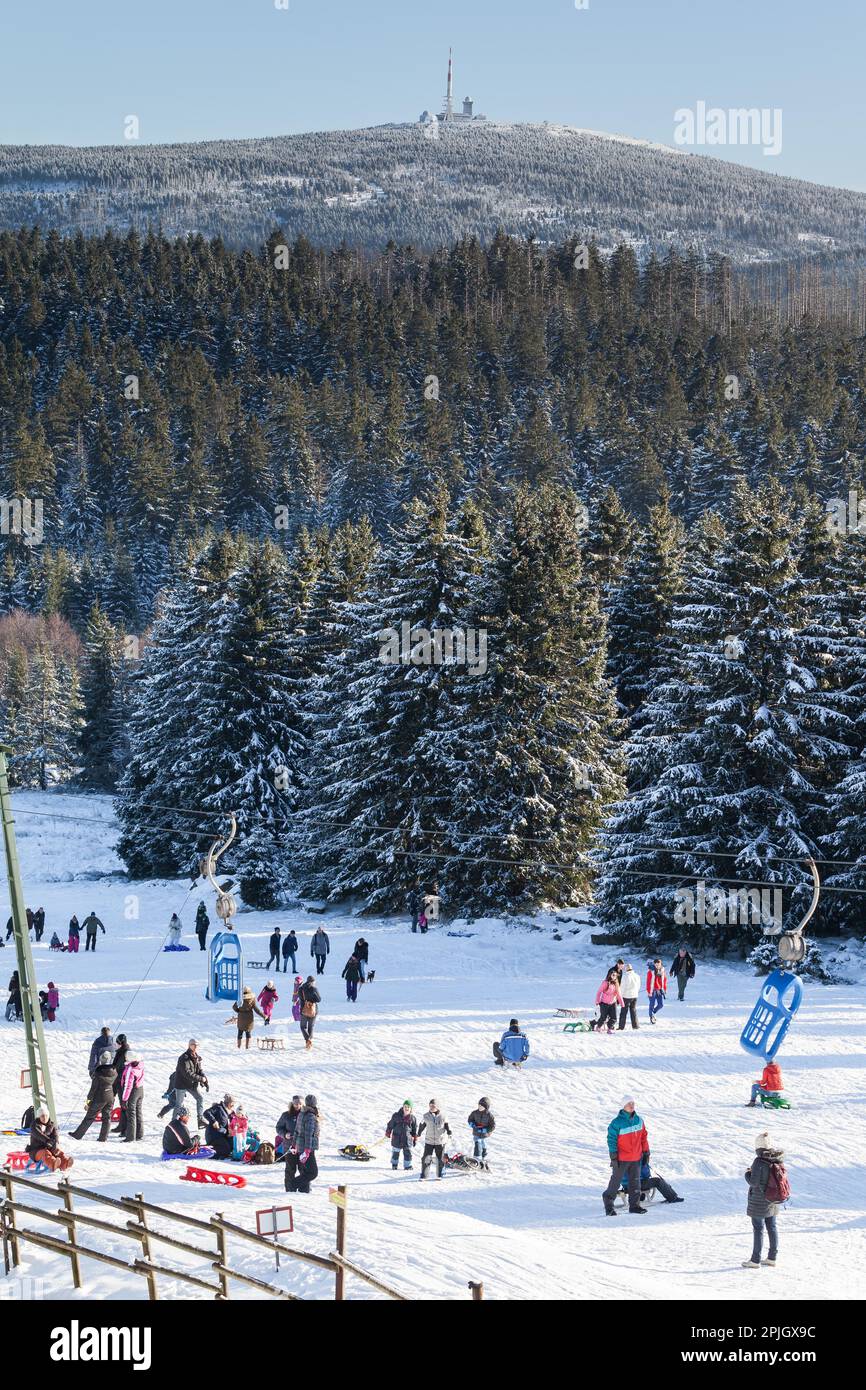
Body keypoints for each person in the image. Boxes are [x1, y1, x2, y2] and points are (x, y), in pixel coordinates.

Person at [742, 1132, 786, 1268]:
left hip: (759, 1201)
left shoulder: (759, 1161)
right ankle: (772, 1257)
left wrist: (747, 1173)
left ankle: (755, 1260)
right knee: (772, 1227)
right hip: (773, 1199)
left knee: (758, 1229)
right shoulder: (777, 1159)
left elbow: (754, 1182)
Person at [603, 1097, 649, 1216]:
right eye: (629, 1103)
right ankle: (609, 1207)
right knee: (615, 1183)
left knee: (635, 1183)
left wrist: (646, 1152)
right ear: (623, 1106)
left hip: (636, 1157)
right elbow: (611, 1139)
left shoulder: (639, 1120)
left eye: (633, 1103)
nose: (631, 1105)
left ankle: (634, 1206)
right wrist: (613, 1156)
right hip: (621, 1159)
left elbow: (643, 1137)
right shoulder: (616, 1123)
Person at [68, 1051, 117, 1143]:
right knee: (107, 1117)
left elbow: (93, 1089)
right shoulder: (114, 1071)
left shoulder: (98, 1072)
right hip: (110, 1095)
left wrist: (88, 1101)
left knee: (90, 1117)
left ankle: (78, 1135)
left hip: (100, 1096)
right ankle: (103, 1138)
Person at [285, 1095, 320, 1194]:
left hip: (301, 1147)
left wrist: (293, 1145)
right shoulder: (310, 1116)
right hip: (307, 1148)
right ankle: (293, 1184)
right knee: (313, 1173)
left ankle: (303, 1191)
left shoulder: (302, 1113)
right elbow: (308, 1135)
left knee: (306, 1171)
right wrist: (307, 1150)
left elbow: (296, 1131)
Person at [173, 1039, 208, 1129]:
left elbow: (199, 1070)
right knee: (179, 1104)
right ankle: (173, 1123)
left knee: (200, 1098)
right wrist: (200, 1079)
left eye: (197, 1045)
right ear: (189, 1045)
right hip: (181, 1084)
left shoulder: (197, 1057)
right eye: (193, 1045)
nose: (195, 1047)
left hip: (191, 1084)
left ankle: (200, 1120)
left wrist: (205, 1080)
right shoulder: (183, 1058)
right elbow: (187, 1073)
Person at [28, 1106, 73, 1172]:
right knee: (45, 1153)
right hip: (36, 1150)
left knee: (58, 1151)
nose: (44, 1118)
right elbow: (39, 1135)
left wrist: (55, 1144)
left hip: (49, 1147)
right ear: (39, 1117)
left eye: (46, 1115)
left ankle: (65, 1163)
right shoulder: (34, 1126)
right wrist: (48, 1141)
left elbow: (55, 1136)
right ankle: (53, 1164)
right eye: (42, 1116)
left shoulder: (51, 1125)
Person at [417, 1100, 452, 1180]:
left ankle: (439, 1174)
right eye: (430, 1106)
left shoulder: (443, 1116)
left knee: (440, 1158)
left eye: (433, 1106)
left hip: (440, 1141)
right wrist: (418, 1133)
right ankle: (424, 1175)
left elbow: (447, 1126)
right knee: (426, 1157)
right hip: (429, 1140)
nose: (431, 1107)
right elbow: (422, 1125)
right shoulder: (426, 1116)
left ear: (437, 1107)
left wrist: (449, 1132)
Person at [386, 1100, 418, 1171]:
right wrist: (388, 1132)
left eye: (408, 1107)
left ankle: (407, 1166)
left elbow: (414, 1129)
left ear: (411, 1109)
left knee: (408, 1153)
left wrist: (415, 1138)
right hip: (397, 1138)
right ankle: (394, 1164)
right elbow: (390, 1124)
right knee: (395, 1152)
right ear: (403, 1107)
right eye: (405, 1106)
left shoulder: (412, 1118)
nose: (406, 1108)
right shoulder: (396, 1116)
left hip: (407, 1139)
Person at [120, 1053, 145, 1142]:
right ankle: (139, 1134)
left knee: (131, 1113)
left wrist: (124, 1099)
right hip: (140, 1090)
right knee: (138, 1112)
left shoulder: (130, 1070)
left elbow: (128, 1086)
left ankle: (130, 1137)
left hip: (133, 1092)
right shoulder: (140, 1065)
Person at [203, 1094, 235, 1159]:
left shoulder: (230, 1112)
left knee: (233, 1143)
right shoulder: (218, 1108)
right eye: (232, 1103)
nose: (233, 1105)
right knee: (226, 1149)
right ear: (228, 1103)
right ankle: (208, 1152)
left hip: (222, 1135)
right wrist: (214, 1121)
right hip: (213, 1135)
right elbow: (206, 1113)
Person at [111, 1033, 131, 1134]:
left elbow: (119, 1067)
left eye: (118, 1042)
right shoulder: (121, 1051)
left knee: (124, 1105)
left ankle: (125, 1128)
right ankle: (121, 1126)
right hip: (118, 1081)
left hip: (122, 1082)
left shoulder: (125, 1052)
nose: (116, 1044)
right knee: (122, 1104)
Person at [467, 1097, 495, 1168]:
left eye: (481, 1106)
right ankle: (476, 1158)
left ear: (486, 1107)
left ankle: (484, 1154)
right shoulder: (474, 1113)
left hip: (484, 1134)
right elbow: (470, 1119)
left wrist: (485, 1130)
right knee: (477, 1142)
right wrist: (472, 1124)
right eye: (479, 1105)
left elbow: (492, 1126)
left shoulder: (489, 1115)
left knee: (483, 1144)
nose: (479, 1107)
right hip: (476, 1132)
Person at [276, 1096, 303, 1163]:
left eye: (300, 1103)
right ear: (292, 1104)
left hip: (302, 1145)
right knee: (290, 1168)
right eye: (296, 1103)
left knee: (303, 1168)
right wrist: (285, 1134)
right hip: (289, 1145)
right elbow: (278, 1127)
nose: (298, 1105)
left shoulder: (305, 1115)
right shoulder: (286, 1115)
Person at [297, 976, 320, 1050]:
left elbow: (300, 998)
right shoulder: (314, 989)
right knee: (311, 1026)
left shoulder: (301, 989)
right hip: (313, 1010)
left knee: (303, 1027)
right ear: (312, 982)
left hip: (304, 1010)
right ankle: (309, 1040)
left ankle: (307, 1040)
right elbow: (319, 999)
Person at [618, 963, 640, 1030]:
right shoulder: (637, 976)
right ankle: (635, 1026)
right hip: (635, 996)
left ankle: (621, 1027)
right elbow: (638, 986)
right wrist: (636, 992)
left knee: (623, 1012)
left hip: (626, 996)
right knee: (633, 1010)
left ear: (626, 969)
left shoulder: (625, 976)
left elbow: (622, 987)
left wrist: (620, 996)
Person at [646, 958, 667, 1024]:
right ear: (654, 964)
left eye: (659, 965)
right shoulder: (650, 972)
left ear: (661, 964)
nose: (657, 966)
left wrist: (664, 989)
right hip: (652, 990)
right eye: (656, 965)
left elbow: (664, 981)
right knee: (652, 1004)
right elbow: (648, 982)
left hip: (659, 989)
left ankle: (653, 1013)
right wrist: (649, 991)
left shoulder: (662, 971)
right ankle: (651, 1017)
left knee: (660, 1005)